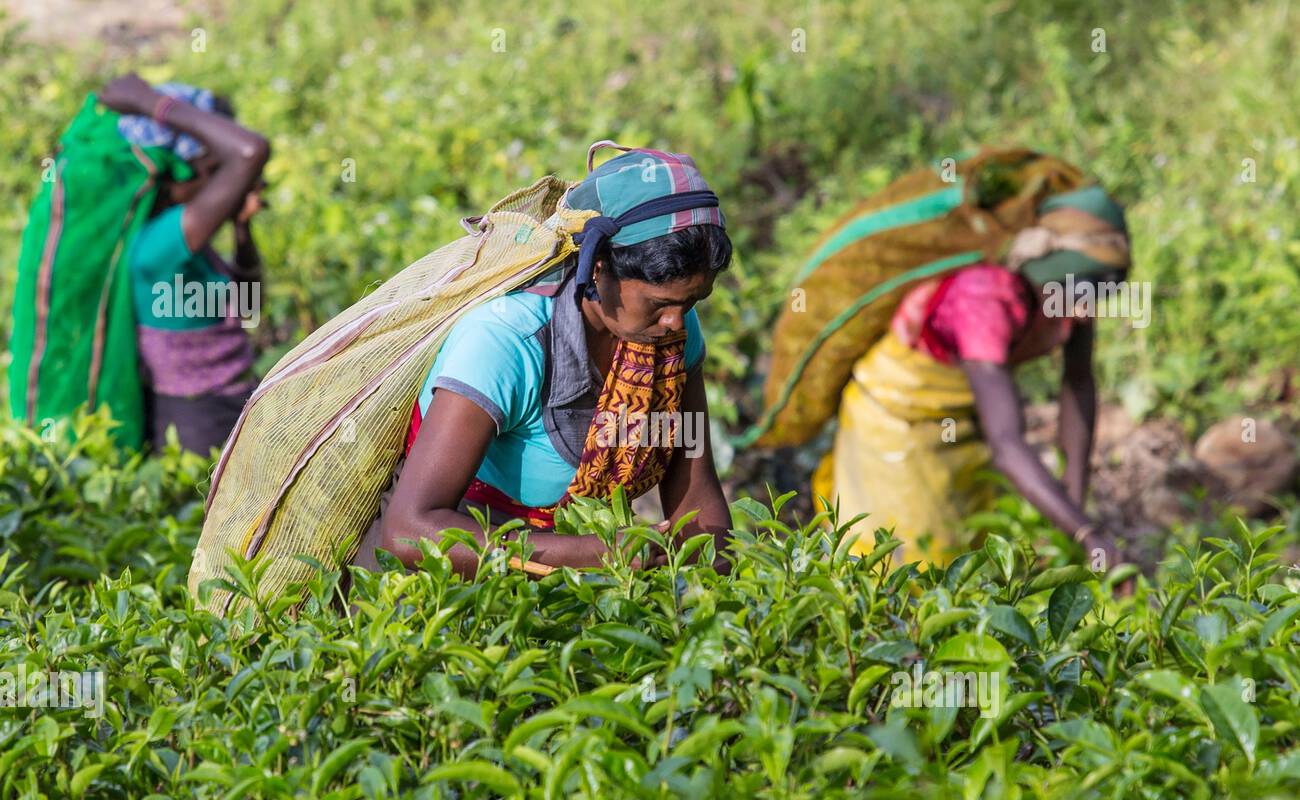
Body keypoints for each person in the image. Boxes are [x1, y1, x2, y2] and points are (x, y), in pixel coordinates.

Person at [353, 146, 733, 576]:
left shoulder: (673, 332)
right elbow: (410, 531)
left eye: (692, 302)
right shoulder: (506, 340)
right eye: (660, 303)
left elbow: (696, 487)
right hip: (436, 581)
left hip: (563, 580)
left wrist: (716, 595)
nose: (675, 322)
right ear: (599, 267)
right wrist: (593, 553)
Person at [811, 186, 1133, 573]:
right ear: (1047, 273)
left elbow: (1078, 383)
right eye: (1080, 293)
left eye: (1099, 294)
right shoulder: (984, 297)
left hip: (964, 418)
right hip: (898, 420)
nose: (1085, 312)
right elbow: (1006, 442)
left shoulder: (1071, 296)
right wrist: (1085, 534)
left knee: (968, 557)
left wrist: (1074, 509)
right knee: (904, 564)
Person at [98, 74, 270, 455]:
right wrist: (151, 102)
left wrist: (242, 229)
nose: (223, 190)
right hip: (196, 420)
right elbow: (249, 151)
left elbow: (248, 308)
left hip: (231, 402)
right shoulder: (156, 247)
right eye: (212, 172)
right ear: (178, 171)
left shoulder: (188, 247)